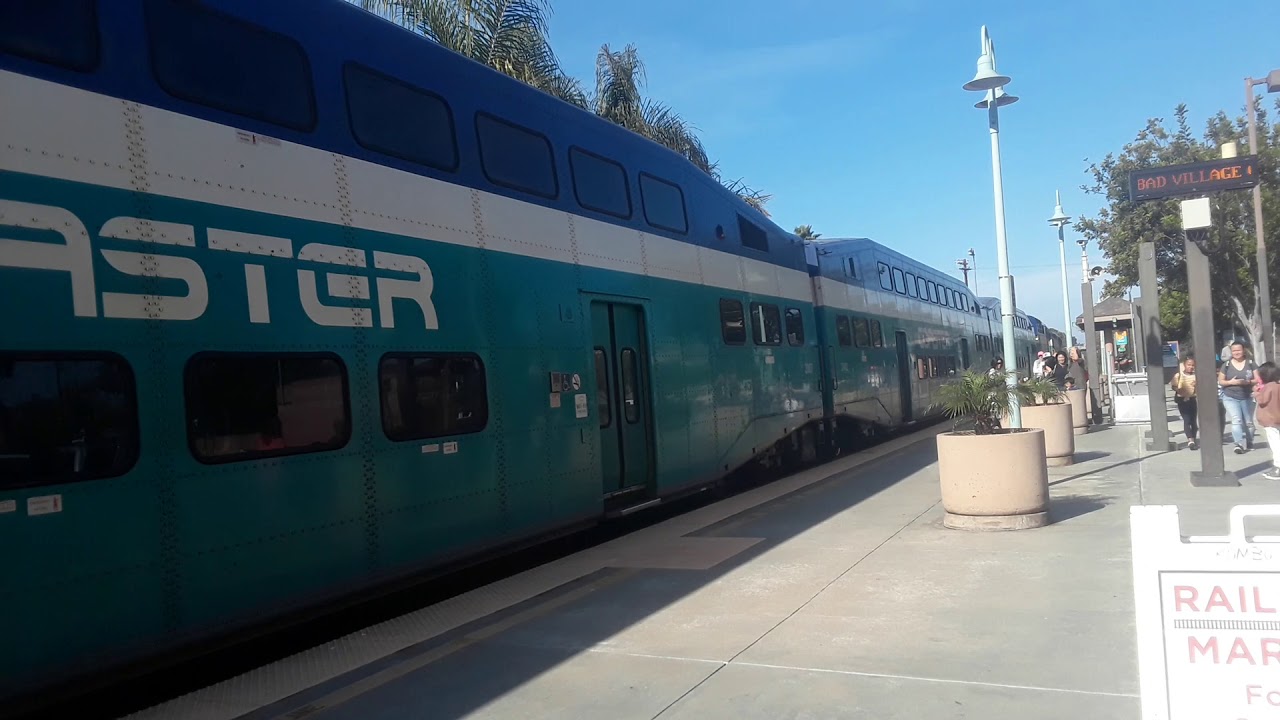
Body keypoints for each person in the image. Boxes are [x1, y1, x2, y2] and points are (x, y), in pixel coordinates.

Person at [1218, 341, 1257, 454]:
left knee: (1248, 422)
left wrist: (1248, 382)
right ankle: (1238, 444)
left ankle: (1249, 441)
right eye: (1234, 350)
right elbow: (1221, 381)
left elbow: (1258, 379)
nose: (1236, 352)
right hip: (1230, 396)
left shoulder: (1251, 363)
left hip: (1247, 396)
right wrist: (1231, 382)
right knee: (1236, 420)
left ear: (1243, 350)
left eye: (1238, 350)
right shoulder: (1226, 365)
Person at [1254, 362, 1280, 480]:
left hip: (1270, 419)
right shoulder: (1277, 385)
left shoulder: (1269, 387)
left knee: (1275, 443)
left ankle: (1278, 467)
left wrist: (1257, 392)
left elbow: (1262, 400)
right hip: (1277, 418)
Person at [1170, 356, 1199, 450]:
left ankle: (1193, 439)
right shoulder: (1178, 375)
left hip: (1192, 399)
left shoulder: (1197, 376)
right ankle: (1190, 440)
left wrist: (1196, 385)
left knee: (1193, 421)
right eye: (1189, 365)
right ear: (1184, 365)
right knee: (1187, 420)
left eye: (1193, 365)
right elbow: (1173, 386)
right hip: (1182, 400)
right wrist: (1179, 389)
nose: (1191, 367)